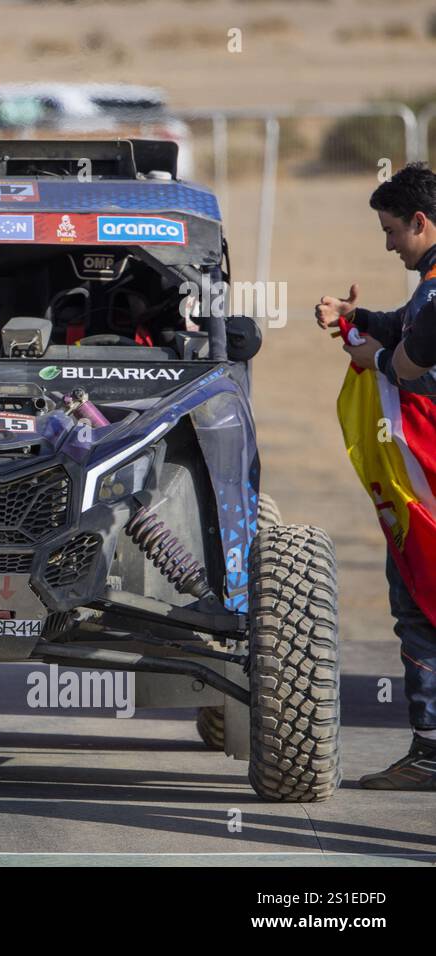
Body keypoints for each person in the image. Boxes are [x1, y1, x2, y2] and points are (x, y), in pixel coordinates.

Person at [317, 162, 436, 790]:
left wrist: (377, 359)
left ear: (421, 221)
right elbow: (410, 332)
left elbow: (418, 366)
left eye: (392, 230)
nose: (388, 243)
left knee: (419, 599)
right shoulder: (431, 284)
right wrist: (357, 319)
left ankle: (429, 755)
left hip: (428, 483)